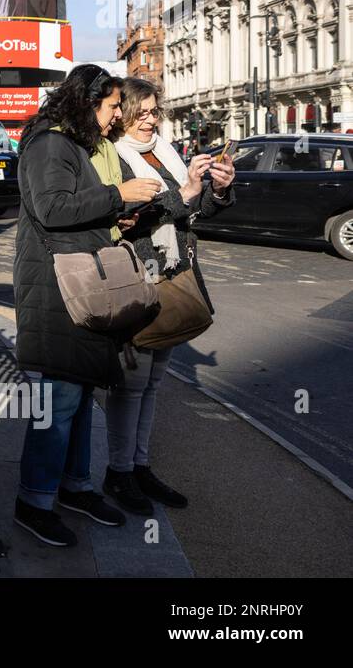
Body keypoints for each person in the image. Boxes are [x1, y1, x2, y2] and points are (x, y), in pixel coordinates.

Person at [12, 64, 165, 547]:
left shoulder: (71, 145)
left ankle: (74, 488)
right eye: (114, 105)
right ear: (87, 101)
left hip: (77, 282)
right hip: (56, 286)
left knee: (77, 398)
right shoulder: (50, 144)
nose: (118, 115)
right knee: (57, 403)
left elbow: (77, 206)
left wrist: (122, 205)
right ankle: (33, 501)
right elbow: (53, 209)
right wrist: (117, 195)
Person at [105, 78, 235, 514]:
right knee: (132, 383)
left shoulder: (165, 149)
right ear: (120, 112)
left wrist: (217, 188)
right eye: (140, 112)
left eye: (154, 111)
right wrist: (185, 195)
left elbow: (193, 212)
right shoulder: (112, 156)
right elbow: (126, 219)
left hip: (176, 274)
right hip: (139, 274)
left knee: (154, 382)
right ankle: (118, 472)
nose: (150, 120)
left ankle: (139, 466)